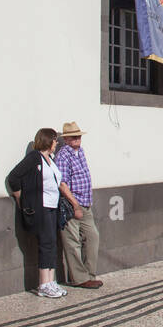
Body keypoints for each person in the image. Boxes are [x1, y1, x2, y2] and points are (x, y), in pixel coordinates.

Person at [8, 128, 83, 299]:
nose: (56, 143)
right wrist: (21, 199)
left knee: (51, 243)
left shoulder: (51, 160)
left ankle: (50, 281)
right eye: (55, 140)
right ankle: (43, 284)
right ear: (47, 141)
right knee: (45, 244)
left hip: (52, 207)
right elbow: (14, 177)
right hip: (40, 208)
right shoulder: (35, 157)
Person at [55, 121, 103, 289]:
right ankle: (79, 278)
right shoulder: (63, 155)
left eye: (79, 136)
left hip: (85, 202)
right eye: (74, 137)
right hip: (72, 204)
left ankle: (89, 274)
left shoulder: (80, 152)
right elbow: (62, 183)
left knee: (92, 236)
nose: (78, 139)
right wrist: (74, 204)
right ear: (66, 139)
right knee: (72, 240)